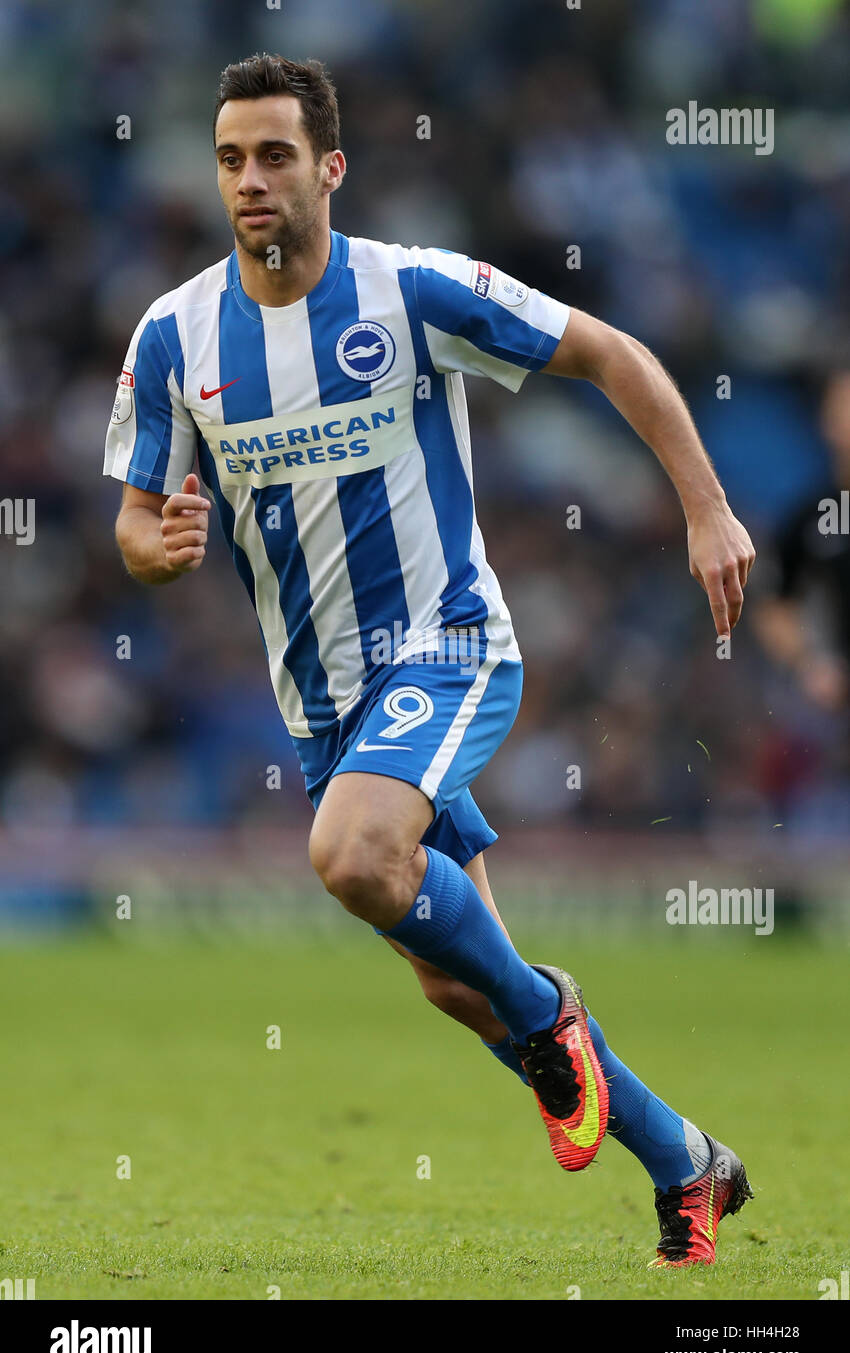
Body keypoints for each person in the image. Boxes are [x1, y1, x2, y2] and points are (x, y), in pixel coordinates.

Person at [104, 53, 756, 1267]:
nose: (251, 180)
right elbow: (139, 524)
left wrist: (706, 508)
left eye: (277, 155)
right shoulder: (171, 333)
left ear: (330, 168)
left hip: (447, 643)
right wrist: (162, 549)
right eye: (232, 158)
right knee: (463, 983)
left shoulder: (409, 292)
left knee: (353, 857)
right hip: (325, 704)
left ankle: (550, 1019)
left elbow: (610, 351)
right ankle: (688, 1162)